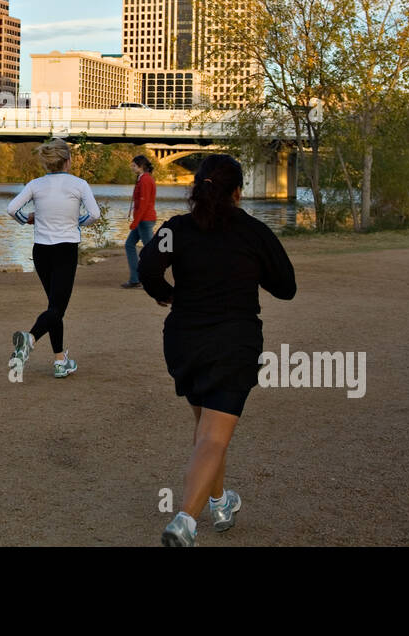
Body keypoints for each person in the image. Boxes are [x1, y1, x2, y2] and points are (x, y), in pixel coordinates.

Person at [139, 154, 296, 547]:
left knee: (209, 430)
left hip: (184, 341)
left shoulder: (176, 228)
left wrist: (168, 295)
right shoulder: (254, 232)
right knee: (212, 435)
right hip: (233, 343)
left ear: (198, 188)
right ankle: (185, 522)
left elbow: (147, 268)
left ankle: (221, 503)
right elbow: (286, 287)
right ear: (238, 192)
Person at [6, 139, 101, 379]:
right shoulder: (78, 185)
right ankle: (30, 338)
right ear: (68, 161)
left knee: (54, 307)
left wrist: (26, 218)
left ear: (46, 163)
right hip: (65, 249)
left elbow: (11, 209)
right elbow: (94, 214)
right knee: (57, 308)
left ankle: (60, 361)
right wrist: (76, 222)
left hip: (41, 251)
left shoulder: (36, 185)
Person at [122, 155, 158, 289]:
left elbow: (143, 203)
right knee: (130, 245)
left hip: (145, 220)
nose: (132, 168)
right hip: (142, 219)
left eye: (134, 166)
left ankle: (152, 279)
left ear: (141, 166)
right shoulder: (142, 178)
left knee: (150, 251)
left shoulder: (145, 180)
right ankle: (135, 278)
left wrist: (135, 222)